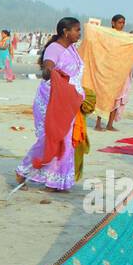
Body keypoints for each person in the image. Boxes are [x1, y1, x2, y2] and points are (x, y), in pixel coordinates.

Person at [15, 18, 85, 191]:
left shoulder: (72, 49)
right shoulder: (54, 49)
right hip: (51, 100)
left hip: (67, 101)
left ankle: (56, 180)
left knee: (65, 140)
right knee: (50, 138)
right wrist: (50, 71)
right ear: (65, 31)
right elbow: (48, 67)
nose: (79, 33)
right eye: (76, 30)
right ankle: (22, 171)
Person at [96, 14, 132, 132]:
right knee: (105, 96)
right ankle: (98, 123)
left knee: (118, 97)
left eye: (123, 23)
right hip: (109, 69)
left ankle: (110, 124)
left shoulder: (125, 37)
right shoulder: (107, 35)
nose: (121, 25)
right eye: (119, 22)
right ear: (113, 23)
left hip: (121, 70)